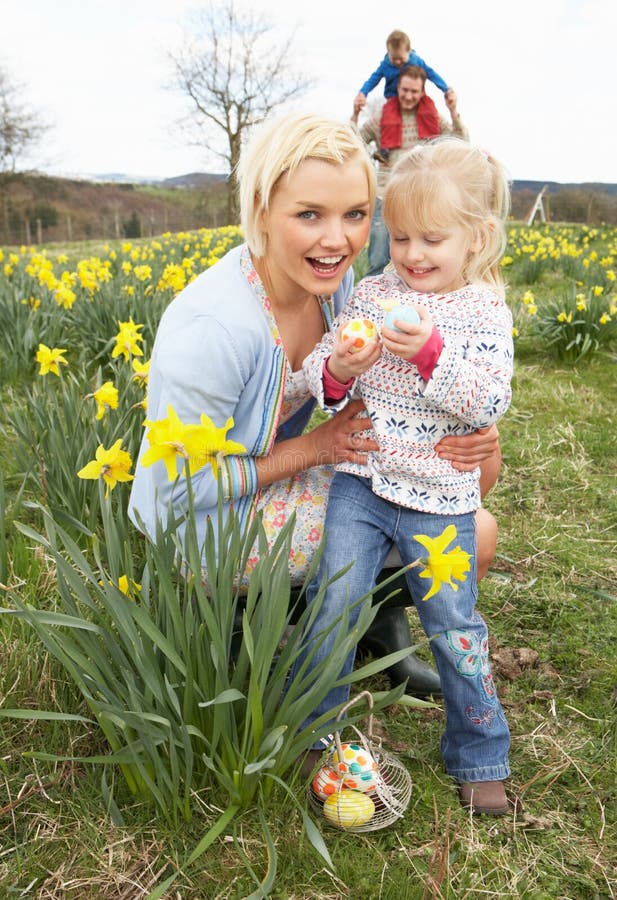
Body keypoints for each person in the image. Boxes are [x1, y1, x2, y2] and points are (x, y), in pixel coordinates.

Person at [128, 111, 500, 707]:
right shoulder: (213, 328)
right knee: (471, 534)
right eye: (309, 215)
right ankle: (242, 639)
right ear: (260, 208)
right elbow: (175, 489)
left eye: (354, 215)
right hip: (201, 522)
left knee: (471, 476)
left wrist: (475, 428)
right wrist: (313, 448)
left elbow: (384, 383)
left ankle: (374, 628)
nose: (338, 241)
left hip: (281, 475)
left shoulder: (335, 286)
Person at [299, 139, 514, 815]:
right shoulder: (370, 292)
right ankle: (318, 732)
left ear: (476, 237)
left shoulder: (482, 312)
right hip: (360, 488)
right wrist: (338, 370)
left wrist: (428, 353)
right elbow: (319, 378)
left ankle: (479, 754)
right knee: (331, 608)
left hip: (440, 503)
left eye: (432, 239)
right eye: (399, 237)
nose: (413, 254)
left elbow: (486, 402)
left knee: (453, 627)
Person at [353, 64, 468, 277]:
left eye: (414, 91)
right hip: (384, 193)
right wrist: (355, 113)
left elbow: (461, 143)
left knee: (417, 255)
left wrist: (453, 111)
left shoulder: (431, 117)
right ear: (397, 88)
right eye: (404, 90)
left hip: (422, 197)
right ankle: (376, 302)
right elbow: (354, 141)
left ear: (422, 91)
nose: (408, 95)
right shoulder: (381, 117)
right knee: (379, 253)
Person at [355, 29, 451, 164]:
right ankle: (386, 150)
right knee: (389, 118)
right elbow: (373, 79)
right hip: (393, 98)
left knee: (428, 112)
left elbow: (432, 74)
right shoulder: (385, 65)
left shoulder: (416, 61)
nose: (398, 62)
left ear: (409, 51)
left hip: (421, 102)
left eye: (401, 59)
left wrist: (445, 89)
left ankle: (431, 146)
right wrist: (363, 93)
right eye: (394, 59)